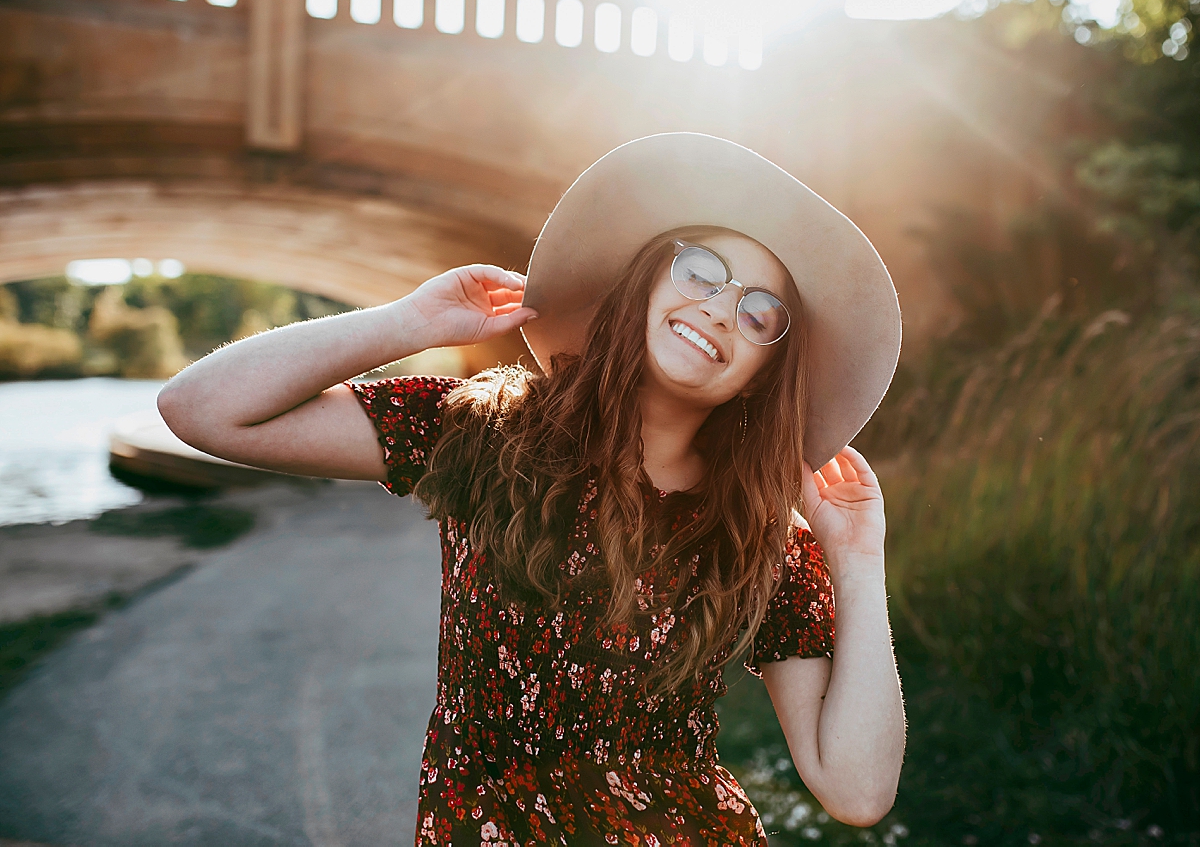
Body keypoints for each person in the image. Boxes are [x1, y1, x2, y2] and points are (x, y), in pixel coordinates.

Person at [158, 133, 906, 844]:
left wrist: (856, 560)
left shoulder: (759, 538)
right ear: (646, 281)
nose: (719, 308)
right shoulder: (492, 433)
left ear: (764, 376)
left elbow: (856, 792)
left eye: (760, 313)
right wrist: (408, 321)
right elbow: (203, 409)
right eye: (701, 271)